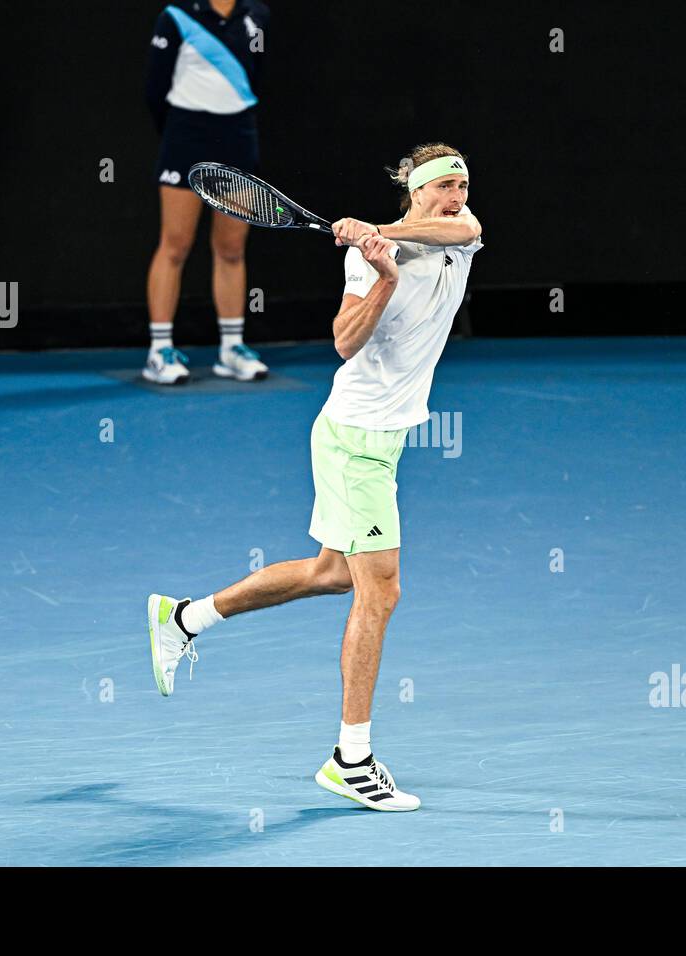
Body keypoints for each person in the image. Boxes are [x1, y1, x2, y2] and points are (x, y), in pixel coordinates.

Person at [146, 144, 482, 810]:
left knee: (332, 573)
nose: (457, 195)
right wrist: (384, 273)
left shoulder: (457, 234)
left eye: (463, 183)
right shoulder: (366, 260)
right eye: (444, 185)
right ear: (416, 191)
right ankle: (349, 758)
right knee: (380, 593)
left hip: (383, 440)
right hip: (353, 440)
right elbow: (344, 342)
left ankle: (184, 618)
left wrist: (383, 231)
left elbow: (463, 231)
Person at [142, 1, 271, 385]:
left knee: (231, 247)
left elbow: (255, 74)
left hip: (237, 136)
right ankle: (159, 350)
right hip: (186, 134)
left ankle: (232, 348)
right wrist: (179, 133)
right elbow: (154, 88)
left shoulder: (257, 15)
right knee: (175, 244)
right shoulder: (175, 16)